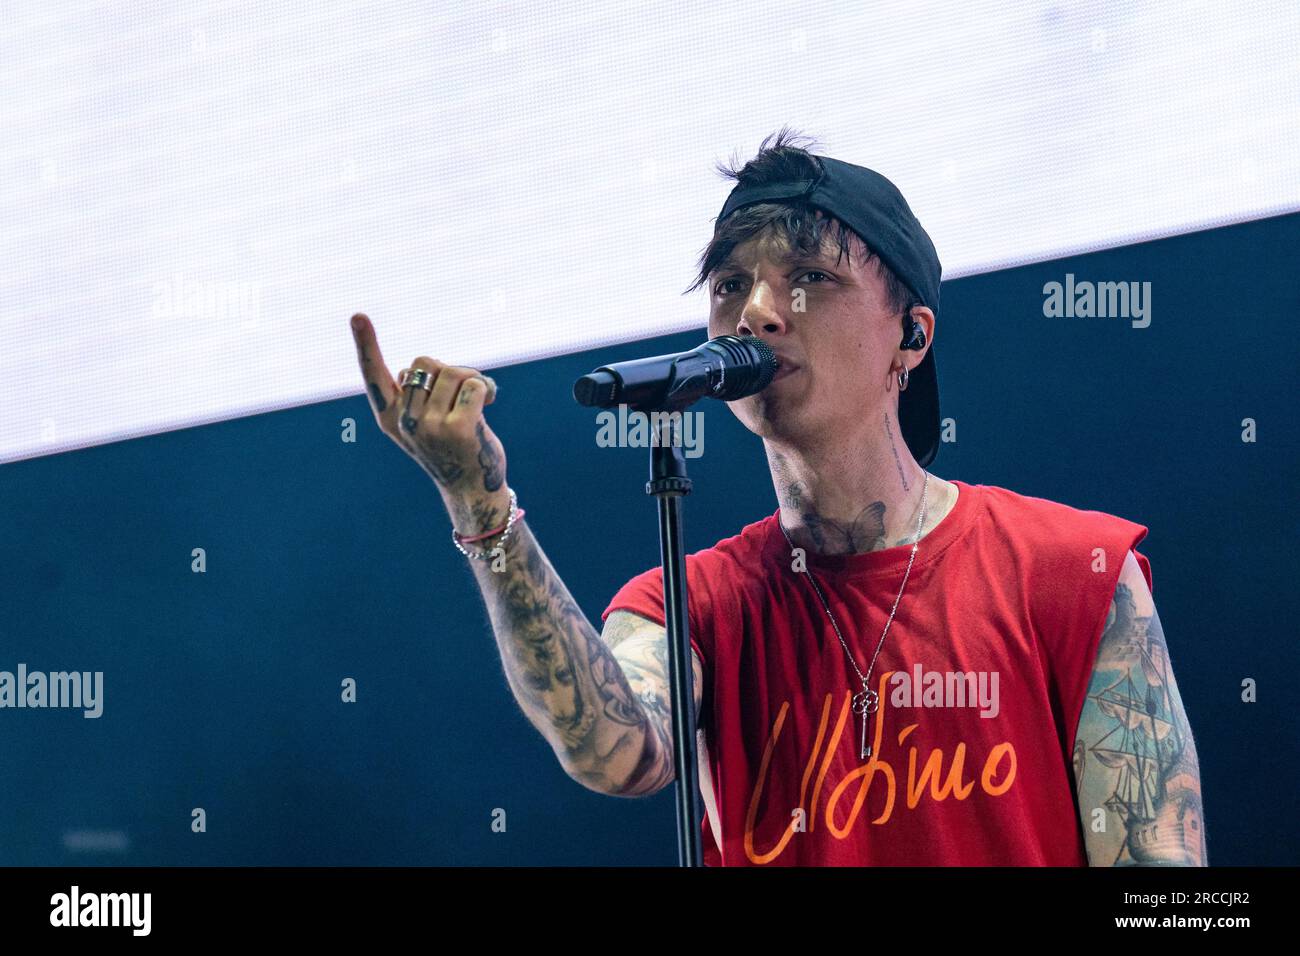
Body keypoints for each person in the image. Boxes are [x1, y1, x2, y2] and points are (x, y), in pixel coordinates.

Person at [348, 128, 1206, 867]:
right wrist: (478, 500)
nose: (756, 310)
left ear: (911, 334)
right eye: (728, 285)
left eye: (807, 280)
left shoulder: (1071, 571)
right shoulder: (691, 607)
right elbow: (613, 753)